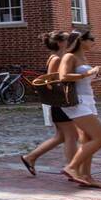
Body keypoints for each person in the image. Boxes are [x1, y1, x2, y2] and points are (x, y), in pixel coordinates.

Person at [20, 31, 79, 177]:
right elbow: (49, 82)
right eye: (66, 39)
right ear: (60, 43)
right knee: (72, 135)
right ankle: (73, 169)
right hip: (59, 102)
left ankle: (30, 157)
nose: (70, 41)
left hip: (60, 102)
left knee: (61, 136)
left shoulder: (60, 57)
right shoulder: (56, 59)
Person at [58, 30, 101, 189]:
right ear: (81, 40)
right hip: (76, 102)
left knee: (88, 139)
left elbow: (82, 81)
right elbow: (63, 77)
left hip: (88, 100)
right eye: (92, 39)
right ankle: (72, 167)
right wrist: (89, 72)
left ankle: (86, 176)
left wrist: (99, 78)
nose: (94, 41)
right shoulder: (69, 57)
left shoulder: (83, 57)